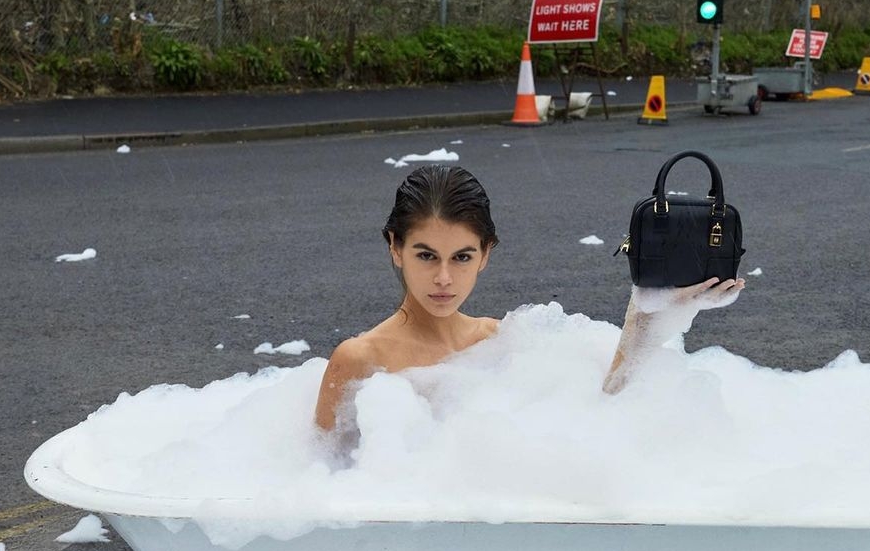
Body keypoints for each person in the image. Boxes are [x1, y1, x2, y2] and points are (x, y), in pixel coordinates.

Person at [313, 164, 745, 434]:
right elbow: (322, 479)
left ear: (485, 254)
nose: (444, 278)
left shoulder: (498, 341)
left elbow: (596, 421)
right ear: (395, 248)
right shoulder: (359, 359)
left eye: (462, 257)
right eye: (426, 256)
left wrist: (649, 316)